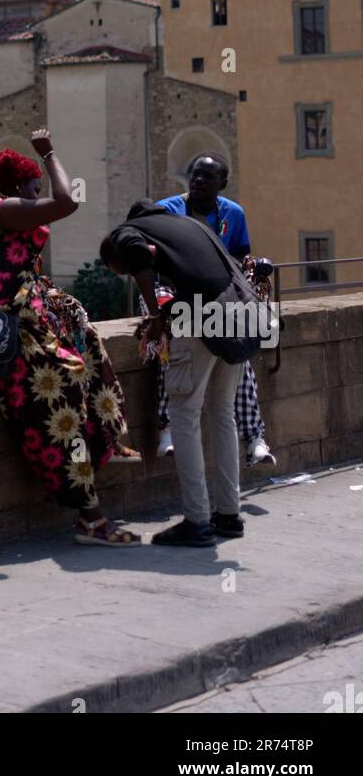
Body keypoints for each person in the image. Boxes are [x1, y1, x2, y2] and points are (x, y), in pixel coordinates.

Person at [0, 130, 142, 546]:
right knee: (62, 388)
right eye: (33, 188)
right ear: (17, 188)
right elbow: (67, 201)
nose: (39, 196)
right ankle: (90, 516)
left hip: (12, 316)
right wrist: (50, 153)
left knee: (86, 337)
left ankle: (106, 441)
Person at [100, 200, 258, 548]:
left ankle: (197, 522)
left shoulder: (127, 233)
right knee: (222, 414)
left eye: (118, 270)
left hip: (203, 313)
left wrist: (157, 317)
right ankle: (229, 516)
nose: (124, 274)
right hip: (243, 310)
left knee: (183, 415)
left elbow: (135, 251)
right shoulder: (191, 225)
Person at [153, 155, 275, 469]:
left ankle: (254, 439)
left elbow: (240, 261)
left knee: (238, 352)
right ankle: (166, 429)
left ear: (222, 184)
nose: (199, 181)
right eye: (195, 174)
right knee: (170, 346)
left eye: (208, 176)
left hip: (215, 299)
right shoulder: (169, 211)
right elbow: (156, 265)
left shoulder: (233, 214)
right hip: (173, 293)